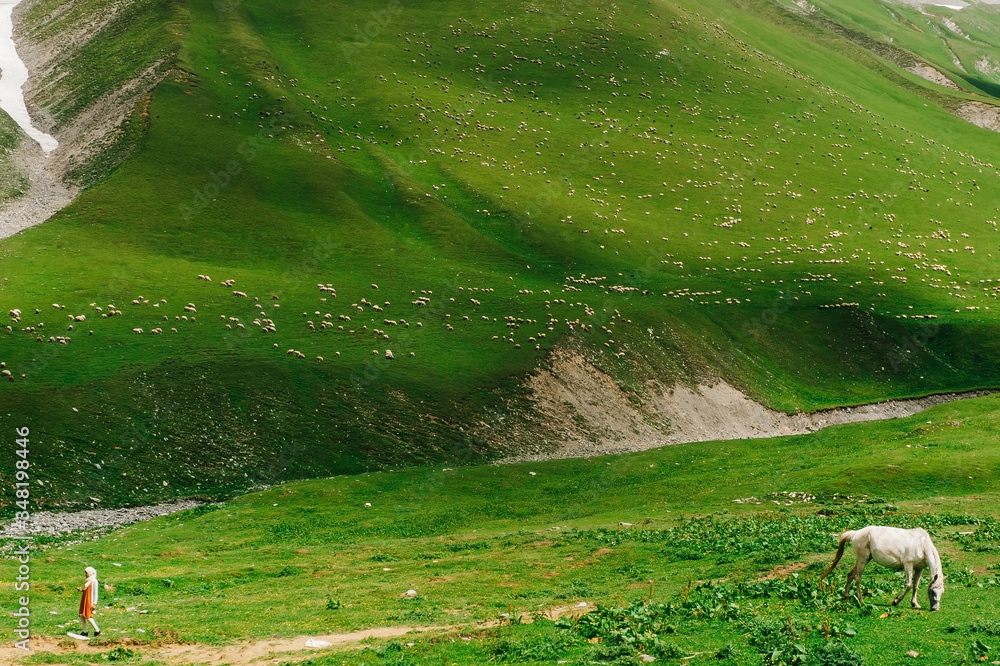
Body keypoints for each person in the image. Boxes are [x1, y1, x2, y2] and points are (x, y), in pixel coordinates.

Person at [76, 566, 101, 637]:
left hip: (89, 600)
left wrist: (94, 603)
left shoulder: (94, 581)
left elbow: (95, 593)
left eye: (86, 573)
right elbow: (87, 590)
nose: (85, 574)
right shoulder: (89, 581)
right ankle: (85, 631)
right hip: (85, 599)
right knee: (81, 614)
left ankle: (97, 631)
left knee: (88, 615)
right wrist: (82, 590)